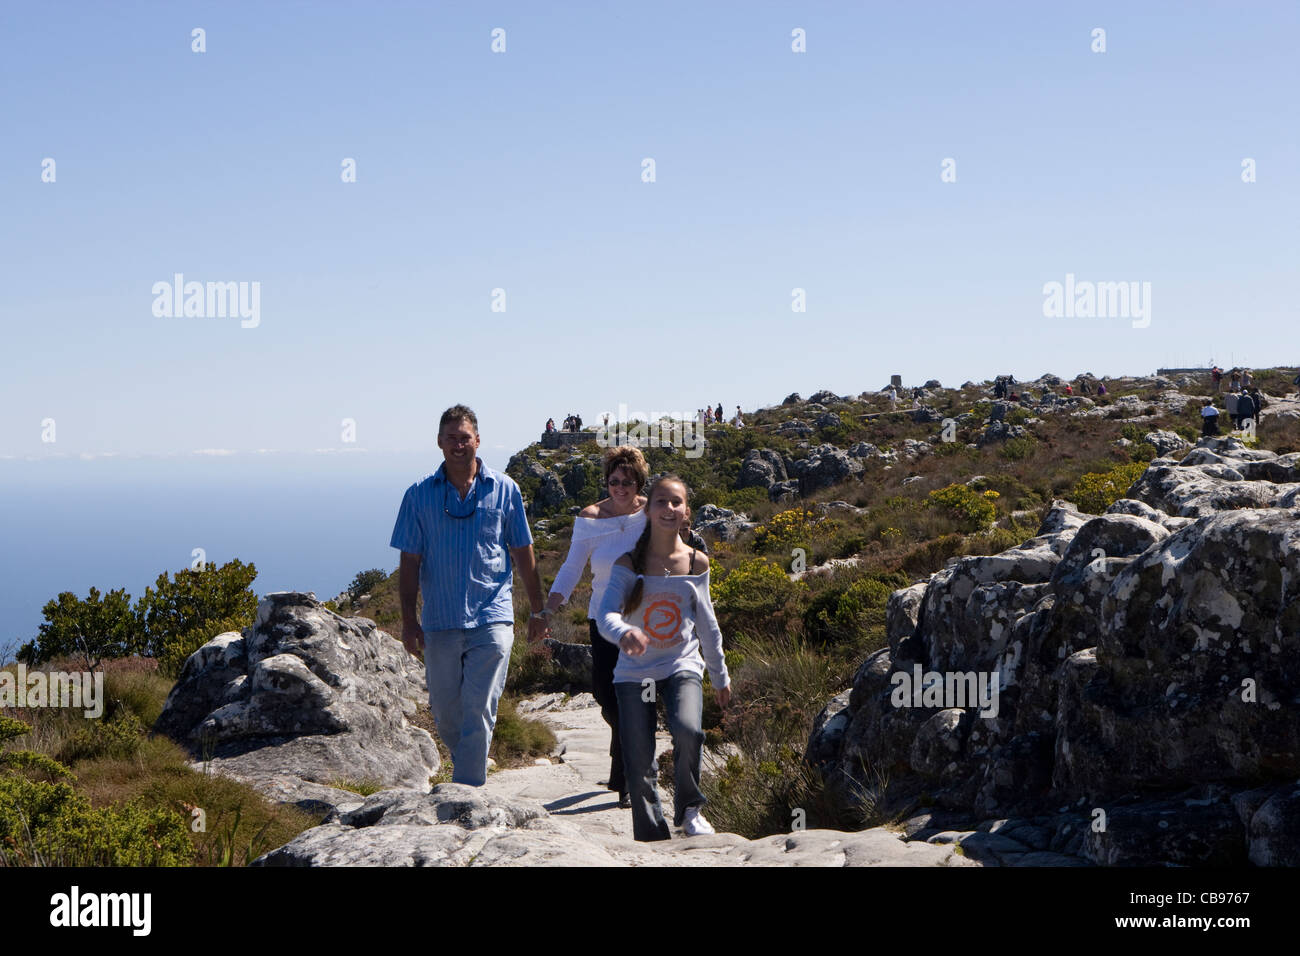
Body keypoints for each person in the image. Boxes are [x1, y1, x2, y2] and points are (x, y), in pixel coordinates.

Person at [390, 405, 548, 787]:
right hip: (441, 619)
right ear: (439, 443)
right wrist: (409, 621)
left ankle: (467, 795)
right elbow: (409, 562)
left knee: (478, 709)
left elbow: (523, 553)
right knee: (446, 712)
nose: (459, 444)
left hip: (491, 616)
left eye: (465, 437)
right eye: (451, 438)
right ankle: (469, 772)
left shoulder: (505, 489)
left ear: (477, 440)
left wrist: (538, 611)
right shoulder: (418, 496)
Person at [597, 475, 731, 841]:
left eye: (676, 503)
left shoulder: (696, 562)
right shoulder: (629, 562)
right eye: (661, 502)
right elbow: (606, 613)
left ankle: (690, 809)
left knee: (688, 730)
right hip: (635, 671)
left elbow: (707, 623)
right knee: (639, 757)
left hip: (680, 664)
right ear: (648, 509)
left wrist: (719, 676)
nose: (669, 509)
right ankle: (652, 835)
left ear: (687, 511)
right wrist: (624, 631)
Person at [544, 447, 649, 808]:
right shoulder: (590, 519)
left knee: (629, 700)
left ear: (639, 482)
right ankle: (622, 760)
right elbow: (572, 569)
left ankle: (631, 780)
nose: (620, 487)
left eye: (627, 481)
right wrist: (548, 609)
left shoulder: (652, 513)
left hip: (643, 620)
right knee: (606, 696)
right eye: (614, 481)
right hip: (603, 620)